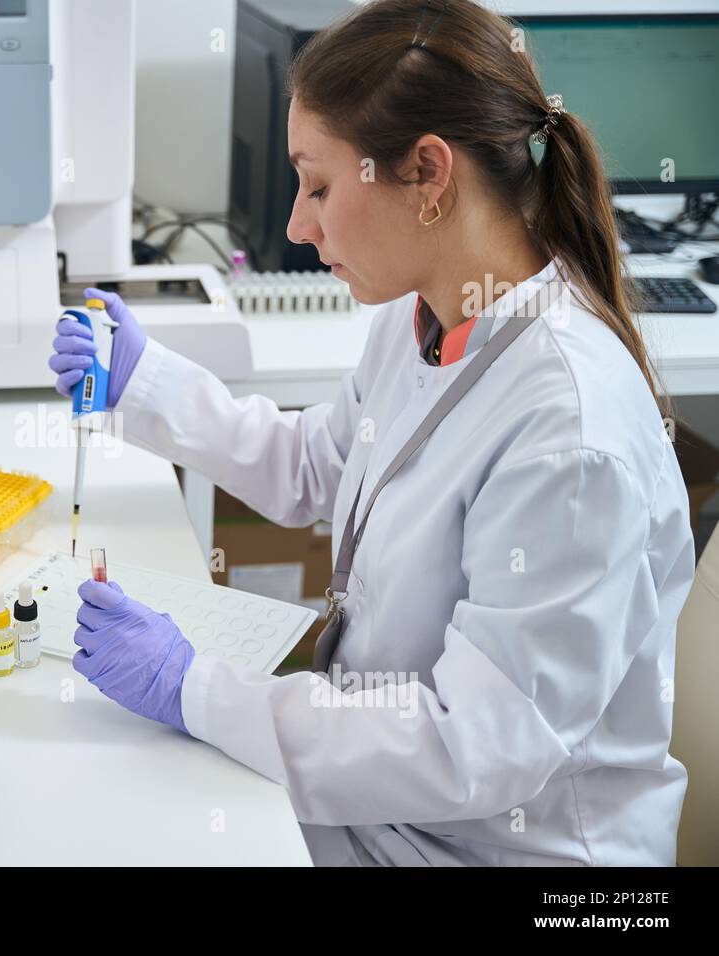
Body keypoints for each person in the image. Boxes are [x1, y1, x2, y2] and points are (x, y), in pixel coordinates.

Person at [49, 0, 694, 866]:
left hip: (505, 852)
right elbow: (321, 464)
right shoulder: (427, 312)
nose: (295, 225)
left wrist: (192, 687)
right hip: (400, 806)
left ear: (428, 174)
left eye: (318, 185)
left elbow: (476, 745)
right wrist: (148, 383)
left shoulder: (568, 433)